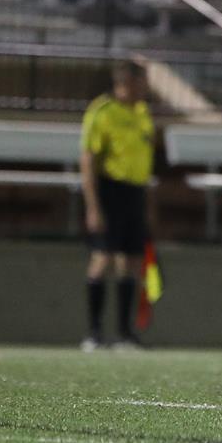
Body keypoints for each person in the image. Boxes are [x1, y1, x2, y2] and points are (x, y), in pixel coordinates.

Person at [79, 57, 156, 351]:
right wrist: (93, 206)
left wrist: (148, 203)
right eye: (142, 81)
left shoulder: (142, 112)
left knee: (132, 261)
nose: (146, 88)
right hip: (109, 191)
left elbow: (143, 160)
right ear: (127, 82)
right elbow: (88, 160)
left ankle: (125, 333)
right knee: (102, 258)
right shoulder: (102, 111)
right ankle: (94, 333)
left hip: (135, 193)